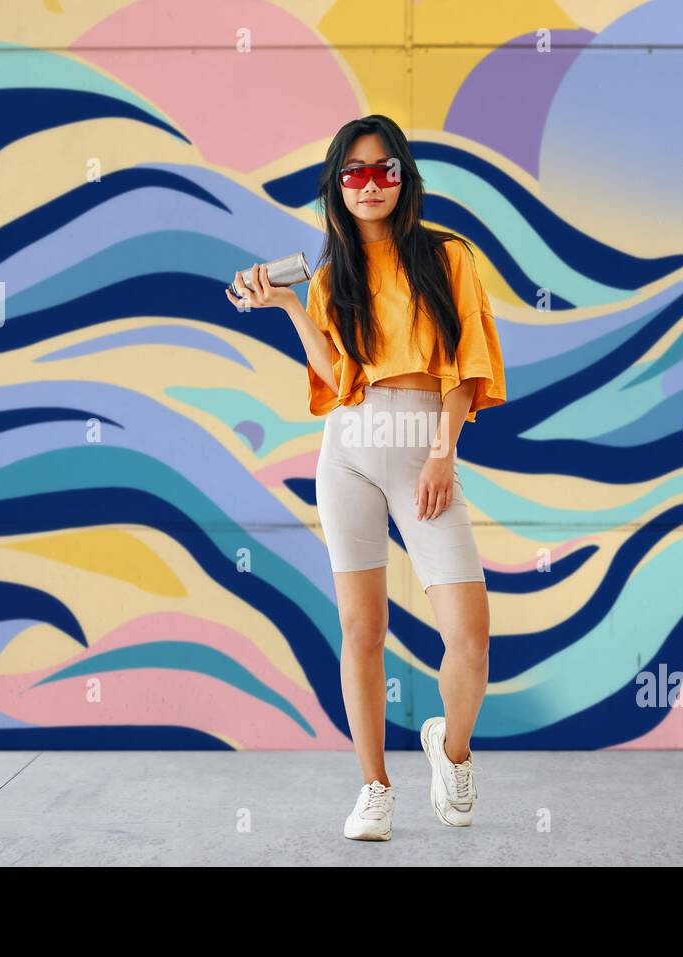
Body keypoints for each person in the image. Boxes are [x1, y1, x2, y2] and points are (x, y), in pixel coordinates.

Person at [225, 114, 506, 841]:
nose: (371, 183)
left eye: (386, 169)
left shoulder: (449, 256)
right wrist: (289, 305)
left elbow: (463, 365)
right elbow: (335, 377)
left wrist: (444, 451)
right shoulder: (329, 279)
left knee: (470, 635)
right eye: (355, 172)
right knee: (362, 627)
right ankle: (374, 787)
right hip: (348, 449)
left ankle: (453, 750)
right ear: (336, 186)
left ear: (404, 177)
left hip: (424, 449)